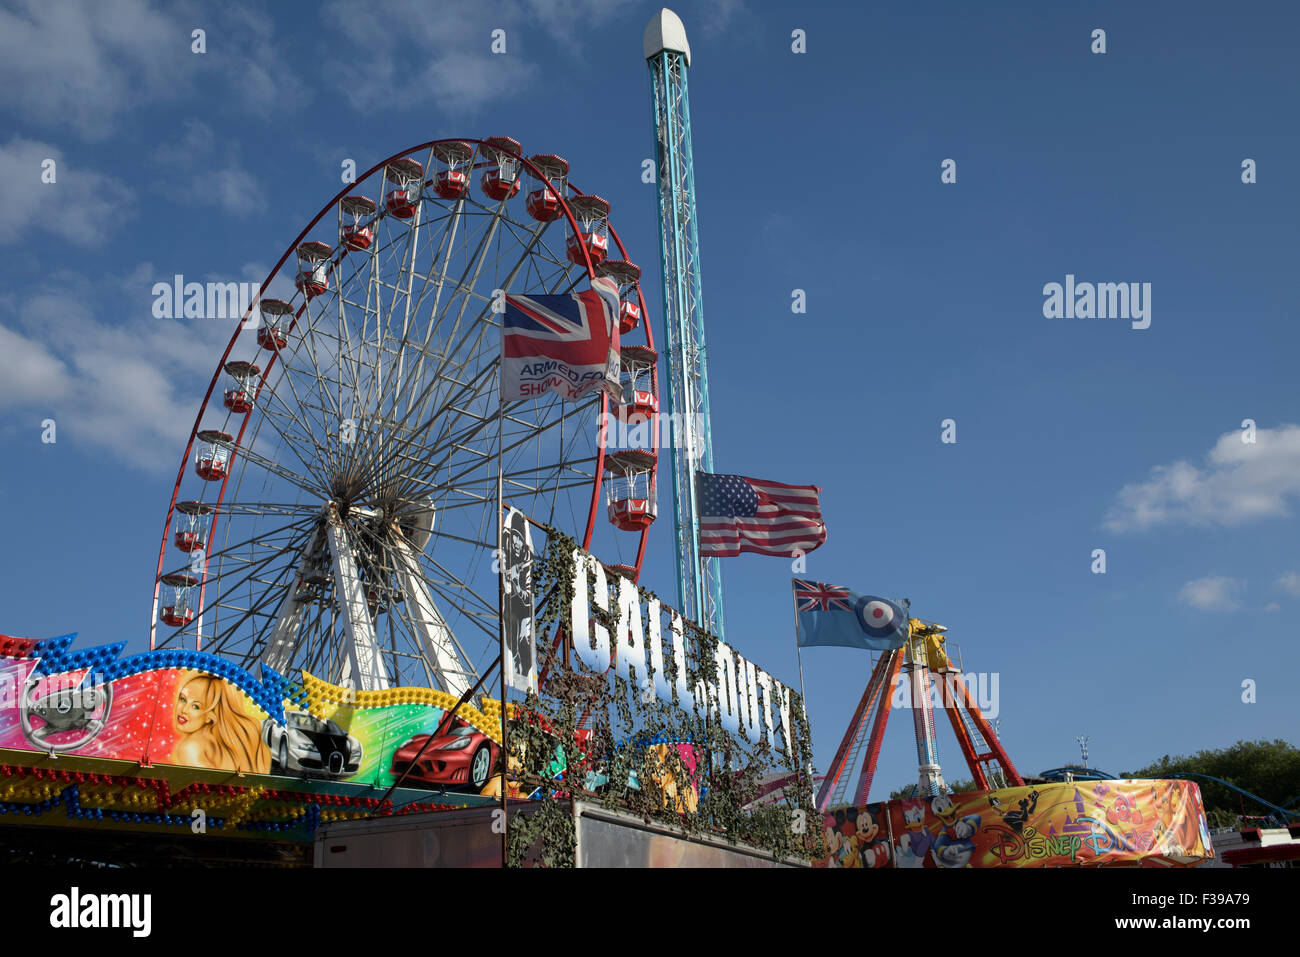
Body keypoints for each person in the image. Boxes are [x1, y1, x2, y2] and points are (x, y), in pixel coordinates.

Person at [171, 670, 271, 774]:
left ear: (210, 717)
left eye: (196, 706)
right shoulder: (223, 746)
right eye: (182, 699)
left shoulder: (191, 747)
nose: (184, 710)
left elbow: (205, 784)